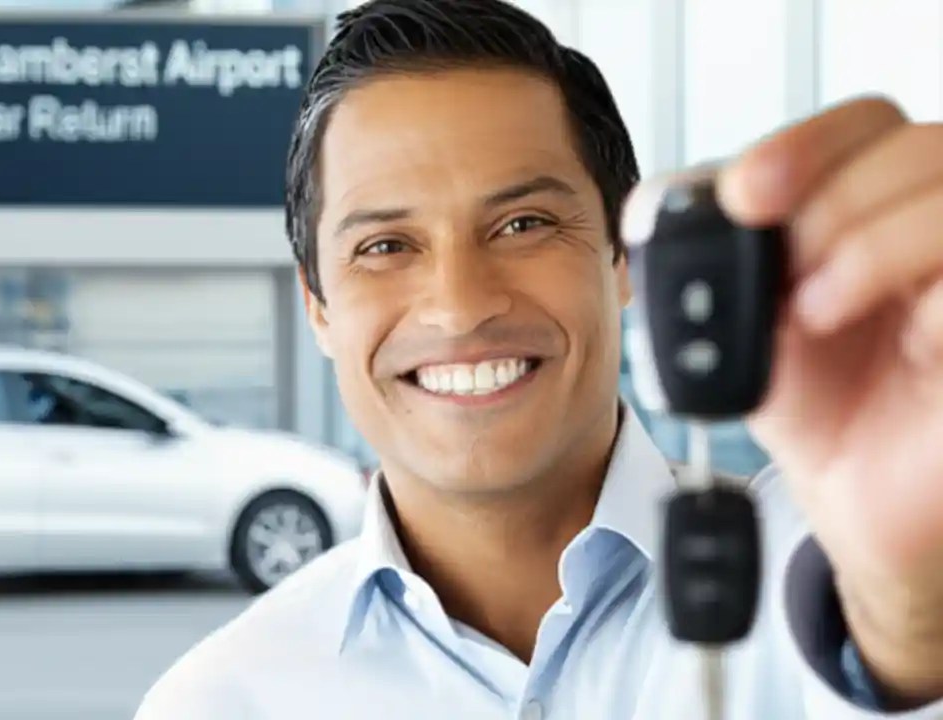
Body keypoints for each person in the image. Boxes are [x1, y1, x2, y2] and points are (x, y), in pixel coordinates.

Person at [135, 1, 943, 717]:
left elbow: (902, 624)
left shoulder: (838, 554)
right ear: (318, 307)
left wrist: (910, 614)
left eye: (523, 225)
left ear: (624, 258)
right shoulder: (219, 701)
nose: (458, 304)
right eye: (385, 246)